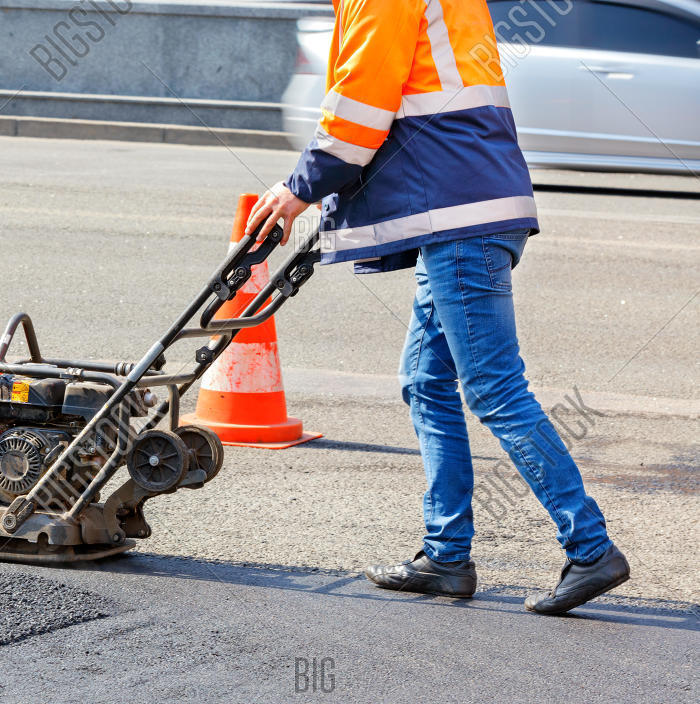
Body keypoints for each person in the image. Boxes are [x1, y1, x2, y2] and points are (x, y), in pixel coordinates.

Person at [245, 0, 628, 616]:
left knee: (496, 390)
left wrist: (299, 189)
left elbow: (362, 105)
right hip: (471, 210)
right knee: (425, 382)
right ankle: (446, 556)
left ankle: (590, 548)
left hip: (460, 220)